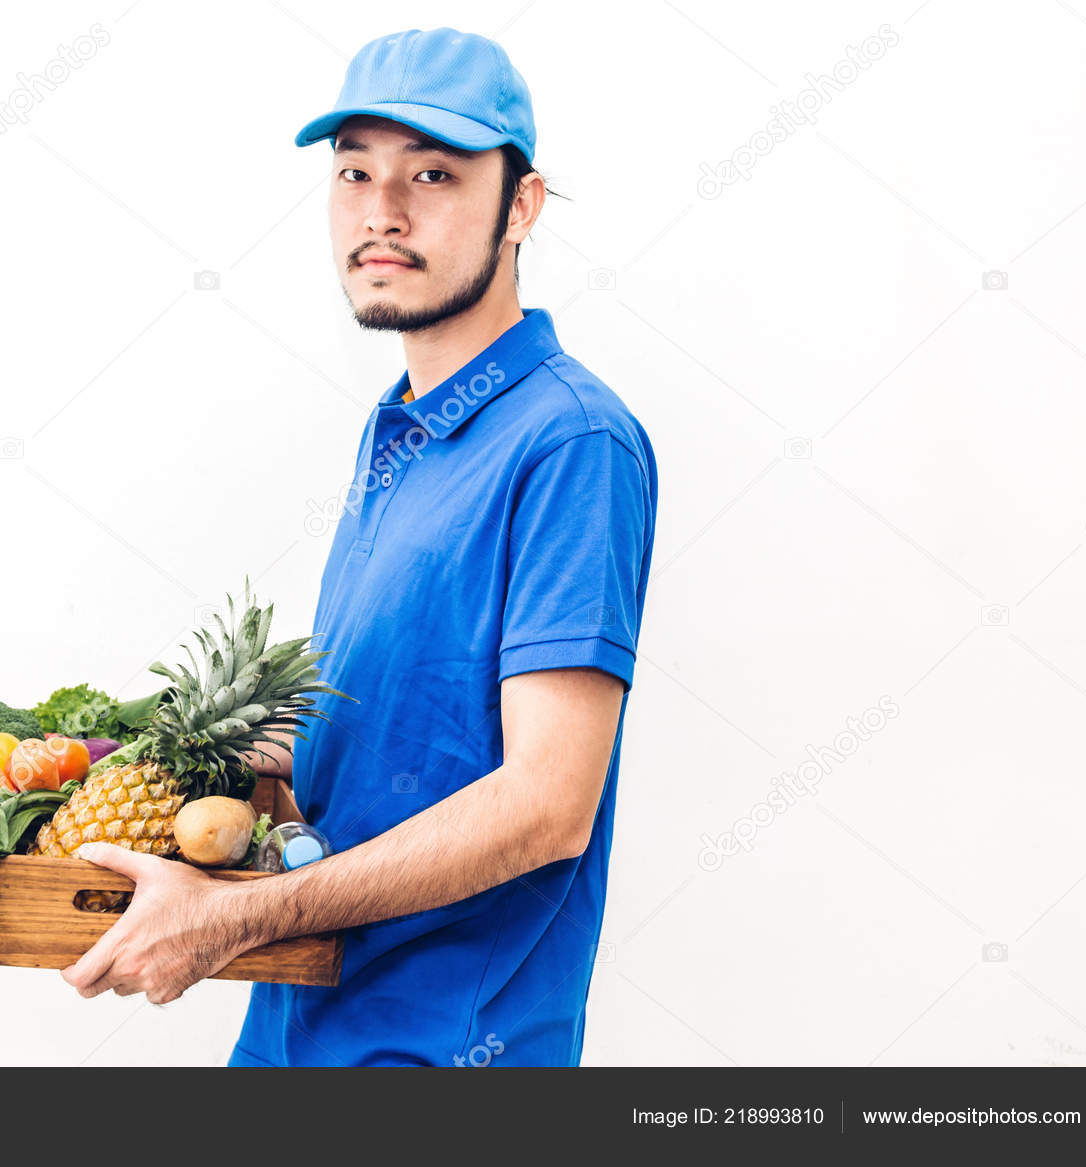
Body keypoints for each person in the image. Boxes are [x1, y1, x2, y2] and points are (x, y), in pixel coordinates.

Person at [61, 26, 659, 1068]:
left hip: (441, 1052)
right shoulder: (402, 434)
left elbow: (544, 806)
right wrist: (204, 758)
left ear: (521, 205)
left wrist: (232, 917)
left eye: (432, 174)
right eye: (354, 172)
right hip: (299, 1022)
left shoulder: (571, 441)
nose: (382, 211)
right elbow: (414, 736)